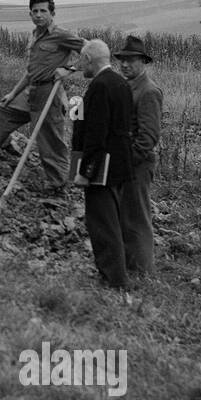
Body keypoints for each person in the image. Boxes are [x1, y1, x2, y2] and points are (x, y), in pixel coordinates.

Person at [0, 0, 82, 191]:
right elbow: (30, 72)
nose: (38, 15)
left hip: (49, 93)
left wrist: (68, 69)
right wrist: (13, 93)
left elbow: (91, 50)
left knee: (50, 140)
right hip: (30, 91)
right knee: (2, 111)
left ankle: (58, 185)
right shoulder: (35, 36)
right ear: (30, 14)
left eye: (43, 11)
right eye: (35, 11)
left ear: (52, 13)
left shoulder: (61, 35)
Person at [71, 39, 134, 292]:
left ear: (88, 60)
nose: (79, 64)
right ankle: (117, 273)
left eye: (80, 60)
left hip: (103, 169)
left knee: (102, 223)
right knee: (113, 220)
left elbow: (96, 134)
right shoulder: (121, 83)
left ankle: (115, 279)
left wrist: (86, 172)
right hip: (121, 164)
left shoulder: (99, 86)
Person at [115, 35, 162, 279]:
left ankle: (143, 272)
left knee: (137, 218)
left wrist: (127, 160)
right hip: (127, 163)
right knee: (126, 216)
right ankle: (131, 267)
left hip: (138, 164)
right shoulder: (128, 86)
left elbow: (149, 137)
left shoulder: (149, 91)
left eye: (131, 60)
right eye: (122, 60)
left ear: (143, 61)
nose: (125, 65)